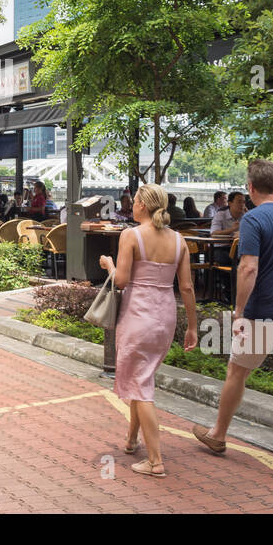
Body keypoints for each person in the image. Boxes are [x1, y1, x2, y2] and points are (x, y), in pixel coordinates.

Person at [193, 159, 273, 480]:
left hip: (264, 312)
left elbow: (248, 267)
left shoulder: (254, 219)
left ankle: (218, 435)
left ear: (250, 188)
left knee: (237, 371)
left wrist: (238, 311)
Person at [100, 183, 198, 478]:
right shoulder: (179, 240)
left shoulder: (130, 235)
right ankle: (131, 440)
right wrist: (192, 326)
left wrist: (109, 265)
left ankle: (156, 461)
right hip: (164, 315)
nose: (131, 204)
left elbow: (121, 281)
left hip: (138, 315)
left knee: (141, 386)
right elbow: (187, 287)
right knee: (143, 378)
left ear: (142, 205)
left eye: (135, 201)